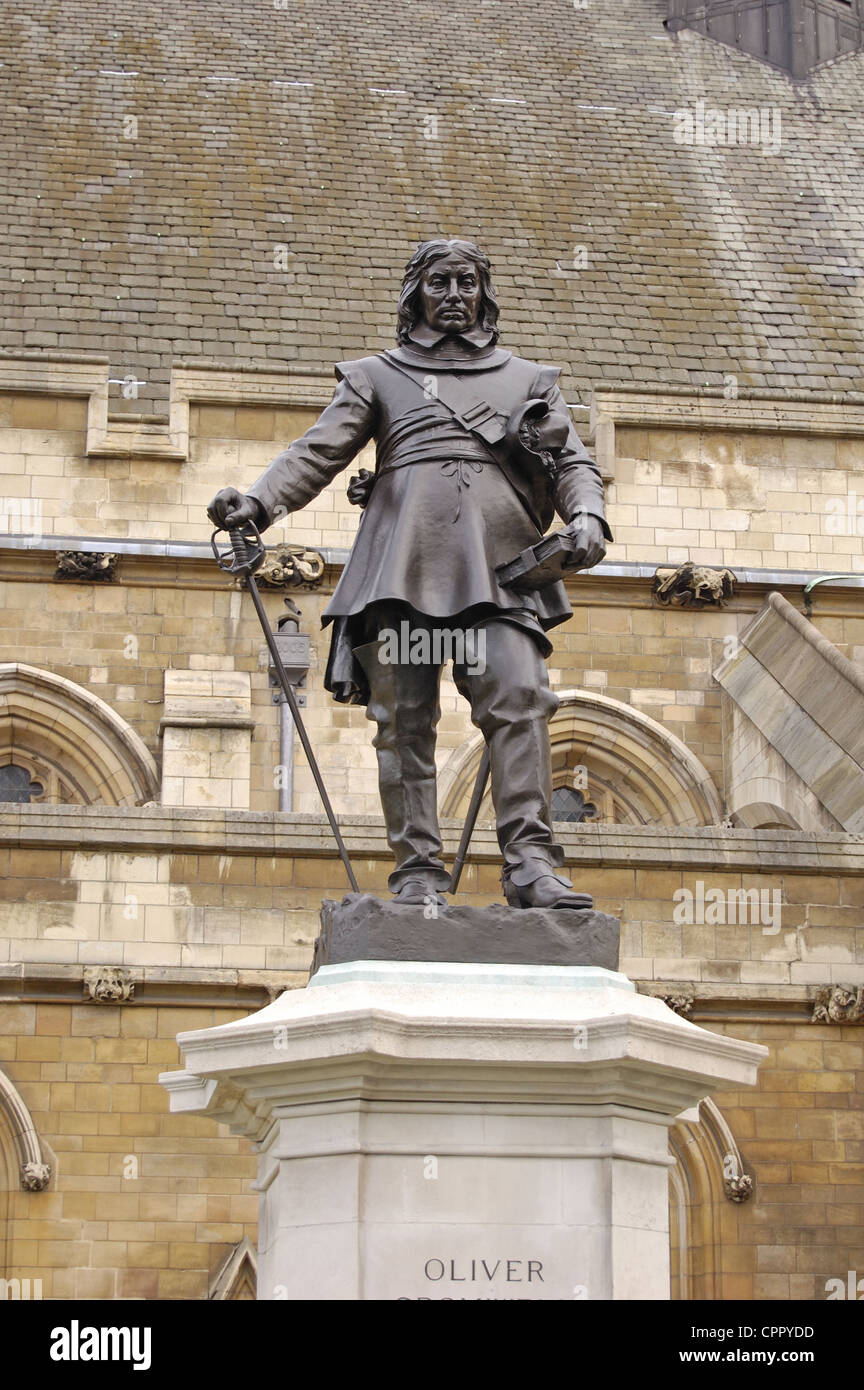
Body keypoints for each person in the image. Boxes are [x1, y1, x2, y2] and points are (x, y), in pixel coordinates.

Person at [208, 238, 611, 909]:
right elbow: (317, 453)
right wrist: (257, 503)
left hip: (501, 569)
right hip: (402, 567)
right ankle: (418, 872)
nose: (453, 295)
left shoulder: (530, 379)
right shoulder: (377, 374)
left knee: (519, 697)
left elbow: (571, 462)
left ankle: (531, 864)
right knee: (404, 721)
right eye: (438, 283)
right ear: (415, 293)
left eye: (466, 283)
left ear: (483, 294)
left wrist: (589, 515)